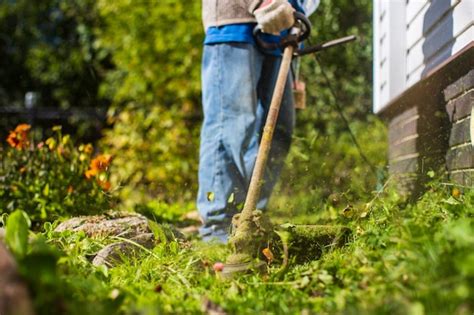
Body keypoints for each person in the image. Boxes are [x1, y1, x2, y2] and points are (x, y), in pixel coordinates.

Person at [198, 0, 320, 242]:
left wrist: (299, 19)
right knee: (230, 126)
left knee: (280, 130)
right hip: (235, 22)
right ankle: (218, 227)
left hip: (282, 29)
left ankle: (249, 217)